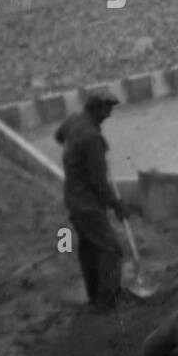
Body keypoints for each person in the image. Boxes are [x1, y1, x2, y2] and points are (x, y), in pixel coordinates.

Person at [56, 90, 127, 312]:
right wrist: (116, 204)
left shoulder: (73, 122)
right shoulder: (92, 138)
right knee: (111, 250)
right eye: (107, 110)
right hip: (88, 203)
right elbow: (98, 181)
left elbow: (59, 136)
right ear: (96, 108)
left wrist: (76, 154)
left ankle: (95, 297)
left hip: (73, 198)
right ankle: (107, 301)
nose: (109, 115)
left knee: (89, 247)